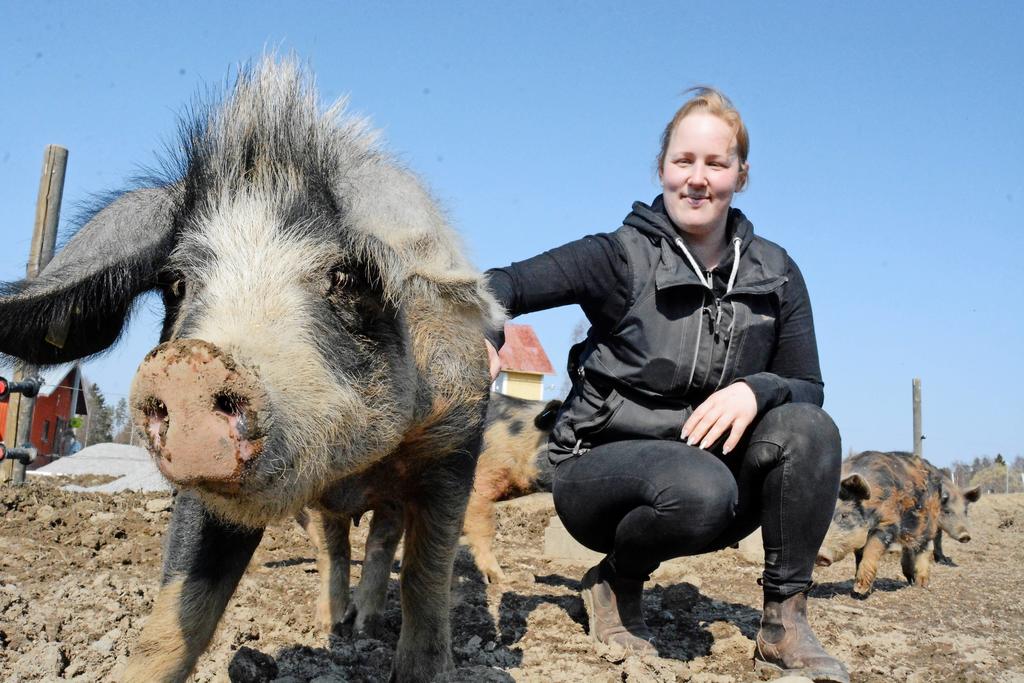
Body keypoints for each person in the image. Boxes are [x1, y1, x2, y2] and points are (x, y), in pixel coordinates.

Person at [484, 88, 847, 682]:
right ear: (662, 168)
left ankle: (785, 620)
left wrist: (757, 389)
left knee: (808, 429)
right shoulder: (619, 256)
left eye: (716, 163)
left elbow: (807, 385)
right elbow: (501, 284)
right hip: (600, 470)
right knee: (699, 488)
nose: (698, 179)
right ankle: (614, 582)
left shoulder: (777, 272)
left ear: (741, 175)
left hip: (712, 479)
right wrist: (485, 333)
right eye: (684, 162)